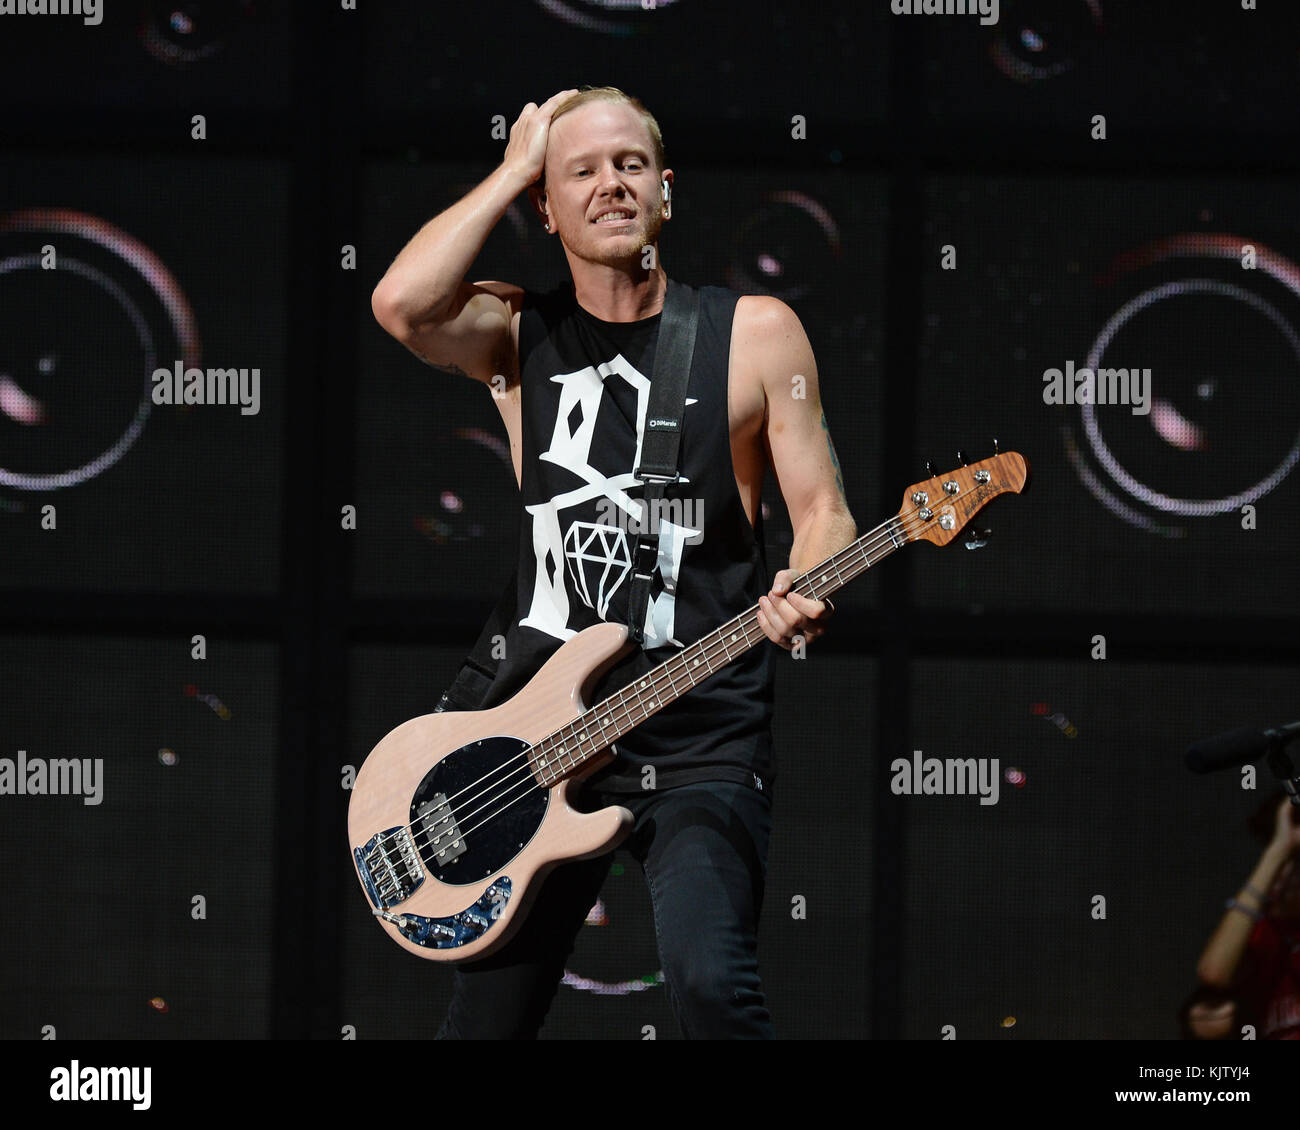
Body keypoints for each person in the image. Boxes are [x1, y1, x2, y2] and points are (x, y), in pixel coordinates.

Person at [370, 86, 858, 1038]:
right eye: (581, 171)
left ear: (665, 191)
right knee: (485, 1028)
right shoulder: (517, 334)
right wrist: (513, 168)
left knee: (712, 989)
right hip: (536, 741)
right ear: (547, 209)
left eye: (631, 165)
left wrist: (808, 581)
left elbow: (825, 511)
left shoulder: (755, 334)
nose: (611, 185)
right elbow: (400, 304)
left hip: (700, 733)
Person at [1188, 791, 1300, 1039]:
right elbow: (1213, 973)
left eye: (1297, 860)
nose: (1287, 874)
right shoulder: (1264, 933)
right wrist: (1278, 849)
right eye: (1283, 861)